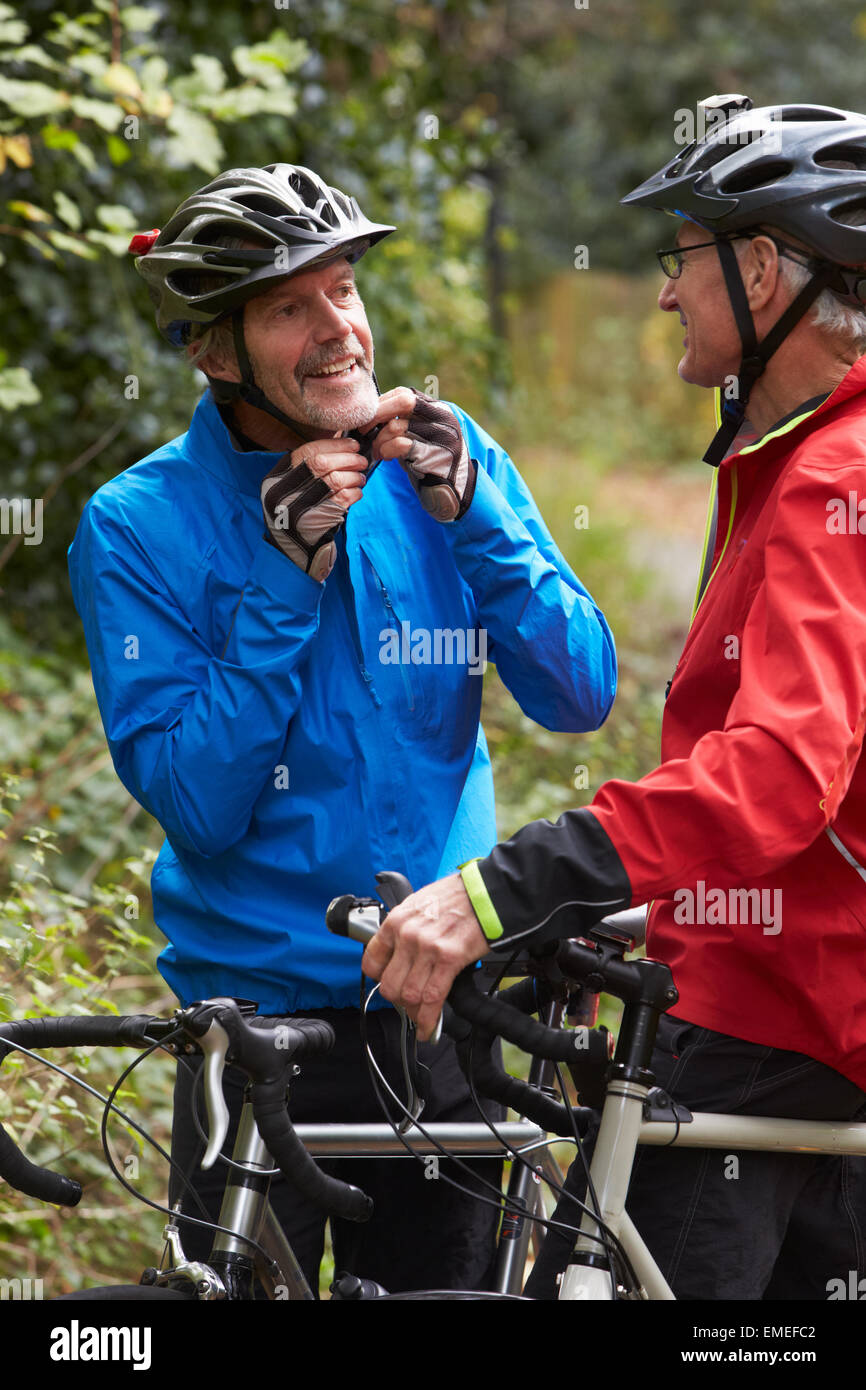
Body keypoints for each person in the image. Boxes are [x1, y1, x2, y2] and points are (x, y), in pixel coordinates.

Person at [67, 162, 617, 1295]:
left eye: (343, 289)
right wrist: (283, 582)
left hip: (438, 997)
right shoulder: (133, 524)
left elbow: (580, 695)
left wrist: (479, 523)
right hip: (253, 1029)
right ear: (215, 351)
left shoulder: (446, 465)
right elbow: (199, 802)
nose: (338, 330)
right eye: (288, 306)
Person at [363, 97, 866, 1300]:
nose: (660, 292)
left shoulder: (832, 477)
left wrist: (507, 885)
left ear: (759, 268)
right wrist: (617, 912)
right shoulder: (805, 458)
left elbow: (779, 775)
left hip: (770, 1029)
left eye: (680, 256)